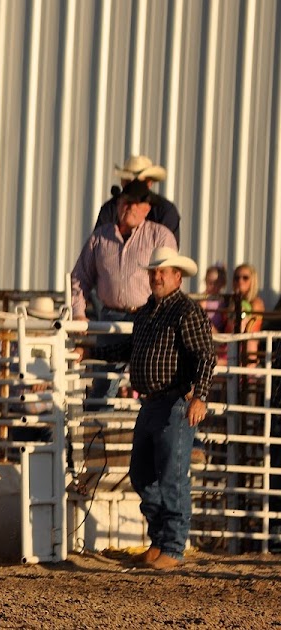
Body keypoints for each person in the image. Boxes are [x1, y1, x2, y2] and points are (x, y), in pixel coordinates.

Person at [84, 247, 215, 570]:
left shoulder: (186, 311)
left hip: (175, 402)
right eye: (154, 271)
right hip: (151, 402)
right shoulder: (146, 312)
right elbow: (130, 348)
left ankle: (172, 545)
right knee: (142, 475)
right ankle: (160, 541)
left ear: (176, 277)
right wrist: (92, 351)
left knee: (171, 477)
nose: (156, 276)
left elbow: (205, 356)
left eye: (163, 272)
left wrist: (200, 396)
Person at [71, 180, 177, 408]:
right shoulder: (100, 238)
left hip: (150, 317)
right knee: (104, 381)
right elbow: (79, 277)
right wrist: (79, 313)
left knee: (156, 379)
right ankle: (95, 435)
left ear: (147, 208)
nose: (129, 207)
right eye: (125, 202)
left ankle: (156, 430)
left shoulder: (160, 236)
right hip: (110, 318)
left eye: (135, 203)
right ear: (118, 204)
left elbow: (170, 279)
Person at [93, 155, 181, 244]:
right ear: (122, 181)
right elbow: (97, 244)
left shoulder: (165, 210)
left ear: (149, 182)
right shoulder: (110, 208)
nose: (132, 188)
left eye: (138, 183)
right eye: (128, 181)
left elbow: (169, 250)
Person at [224, 263, 267, 367]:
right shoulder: (229, 301)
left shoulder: (256, 303)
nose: (240, 281)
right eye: (237, 278)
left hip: (246, 348)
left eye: (245, 278)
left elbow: (244, 327)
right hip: (228, 345)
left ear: (253, 281)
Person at [202, 264, 228, 333]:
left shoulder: (224, 299)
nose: (213, 286)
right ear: (205, 281)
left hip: (220, 329)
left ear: (223, 283)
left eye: (216, 283)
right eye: (210, 283)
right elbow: (202, 314)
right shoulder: (204, 297)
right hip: (207, 328)